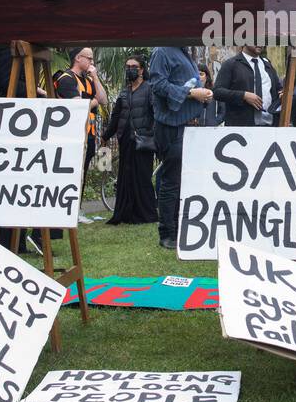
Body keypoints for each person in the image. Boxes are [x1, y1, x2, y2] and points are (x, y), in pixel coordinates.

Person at [148, 46, 213, 250]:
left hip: (185, 125)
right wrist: (192, 93)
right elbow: (158, 85)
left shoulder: (184, 52)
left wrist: (202, 95)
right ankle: (167, 233)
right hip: (172, 127)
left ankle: (178, 228)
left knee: (181, 182)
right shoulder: (162, 52)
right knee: (171, 182)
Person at [102, 55, 158, 226]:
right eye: (127, 66)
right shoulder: (124, 91)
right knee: (125, 177)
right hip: (125, 140)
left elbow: (156, 114)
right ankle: (125, 212)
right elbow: (116, 116)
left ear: (141, 69)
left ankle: (145, 214)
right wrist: (105, 136)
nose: (130, 69)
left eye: (134, 66)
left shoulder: (150, 89)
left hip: (143, 140)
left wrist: (153, 135)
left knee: (142, 177)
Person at [56, 47, 109, 222]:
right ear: (78, 58)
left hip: (89, 134)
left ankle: (77, 209)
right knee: (73, 172)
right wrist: (93, 101)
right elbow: (79, 107)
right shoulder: (66, 79)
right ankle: (69, 210)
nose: (92, 63)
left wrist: (95, 77)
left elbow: (104, 99)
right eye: (90, 59)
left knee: (83, 171)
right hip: (72, 136)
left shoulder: (88, 79)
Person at [214, 45, 282, 127]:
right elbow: (217, 92)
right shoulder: (231, 64)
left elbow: (279, 90)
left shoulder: (267, 65)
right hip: (241, 128)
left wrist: (282, 95)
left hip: (270, 127)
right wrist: (243, 96)